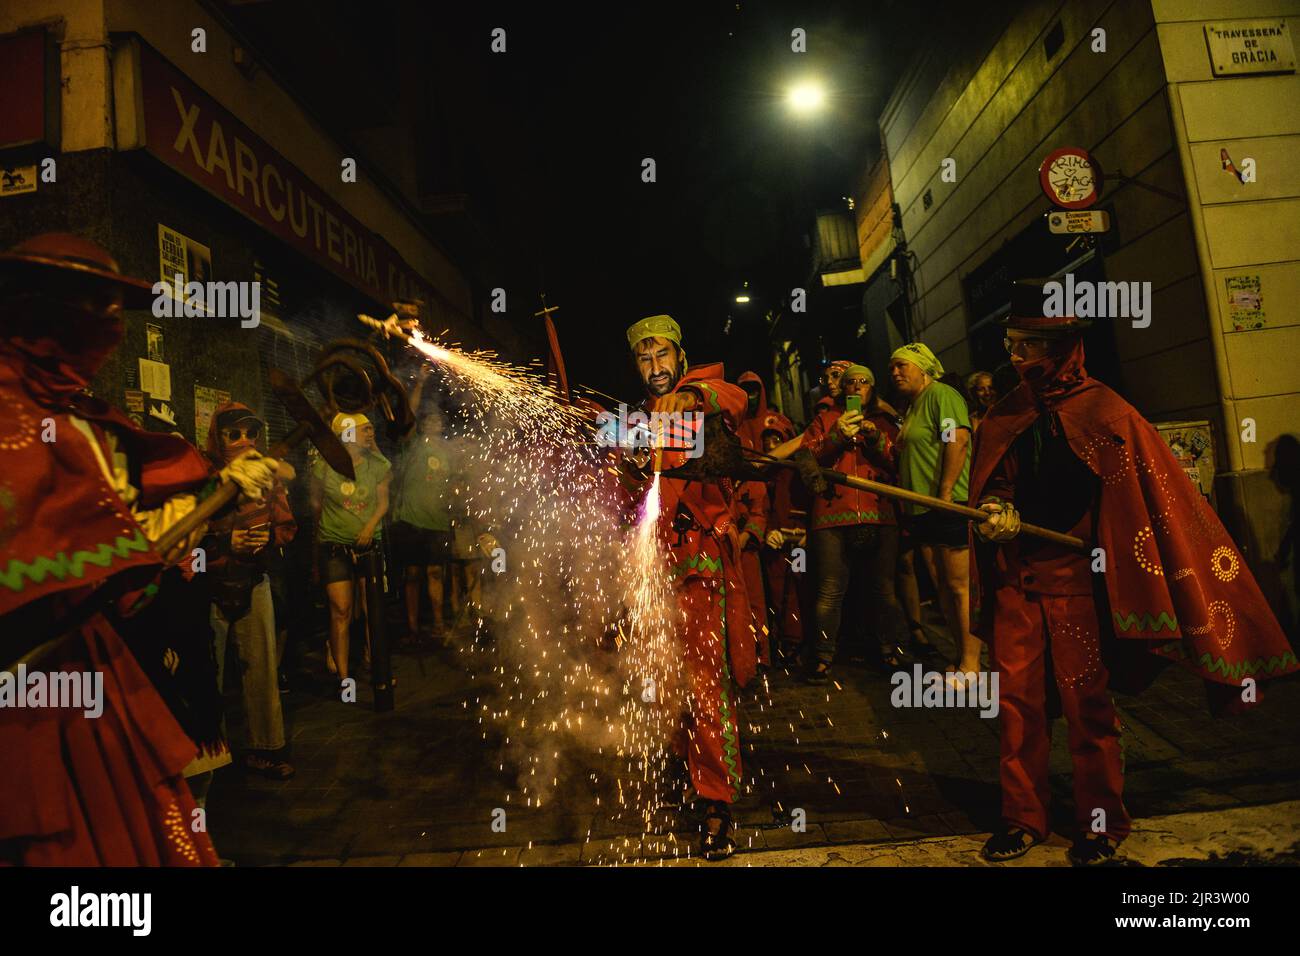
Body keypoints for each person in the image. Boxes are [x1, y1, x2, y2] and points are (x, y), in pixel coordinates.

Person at [971, 279, 1298, 865]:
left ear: (1063, 347)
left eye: (1028, 346)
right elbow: (996, 478)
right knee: (1016, 706)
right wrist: (995, 508)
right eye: (1011, 344)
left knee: (1087, 711)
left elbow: (1140, 506)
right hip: (1018, 582)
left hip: (1079, 586)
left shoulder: (1109, 412)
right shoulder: (1007, 413)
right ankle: (1023, 818)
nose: (1016, 358)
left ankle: (1100, 821)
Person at [0, 233, 276, 865]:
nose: (109, 327)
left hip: (90, 674)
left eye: (113, 308)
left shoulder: (83, 421)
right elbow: (85, 561)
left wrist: (216, 496)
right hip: (30, 695)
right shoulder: (17, 421)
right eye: (90, 307)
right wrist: (210, 502)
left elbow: (129, 541)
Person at [618, 314, 753, 861]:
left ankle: (717, 802)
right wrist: (623, 466)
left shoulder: (701, 397)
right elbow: (626, 495)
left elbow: (734, 397)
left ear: (680, 356)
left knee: (703, 687)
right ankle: (687, 768)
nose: (655, 369)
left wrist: (691, 391)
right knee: (665, 684)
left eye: (663, 357)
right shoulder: (633, 421)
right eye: (645, 360)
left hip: (701, 570)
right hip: (657, 572)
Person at [798, 364, 913, 680]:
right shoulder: (824, 420)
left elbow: (899, 462)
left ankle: (892, 651)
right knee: (831, 589)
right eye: (850, 383)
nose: (856, 387)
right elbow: (805, 457)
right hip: (832, 514)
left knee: (883, 589)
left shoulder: (884, 422)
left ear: (872, 388)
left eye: (864, 382)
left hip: (880, 513)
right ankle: (822, 656)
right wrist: (835, 437)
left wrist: (876, 439)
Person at [202, 402, 297, 780]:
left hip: (255, 582)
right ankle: (211, 756)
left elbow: (286, 524)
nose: (244, 441)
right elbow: (189, 529)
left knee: (262, 670)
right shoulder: (203, 476)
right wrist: (227, 540)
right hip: (210, 586)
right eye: (234, 433)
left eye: (250, 433)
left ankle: (266, 749)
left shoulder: (267, 478)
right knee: (209, 674)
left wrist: (268, 538)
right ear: (218, 436)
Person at [889, 342, 982, 678]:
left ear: (923, 368)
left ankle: (972, 664)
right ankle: (960, 657)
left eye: (902, 366)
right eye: (892, 368)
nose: (895, 373)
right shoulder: (913, 406)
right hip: (922, 508)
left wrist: (944, 493)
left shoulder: (941, 395)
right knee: (943, 586)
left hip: (947, 504)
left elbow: (955, 439)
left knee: (959, 587)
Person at [310, 411, 391, 687]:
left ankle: (377, 666)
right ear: (347, 433)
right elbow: (315, 502)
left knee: (373, 608)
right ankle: (345, 679)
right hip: (333, 545)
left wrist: (369, 527)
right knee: (341, 610)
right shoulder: (324, 466)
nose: (371, 433)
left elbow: (383, 503)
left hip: (369, 544)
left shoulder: (377, 464)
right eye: (365, 429)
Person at [391, 368, 456, 643]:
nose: (432, 423)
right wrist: (418, 382)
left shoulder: (449, 452)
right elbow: (407, 415)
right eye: (427, 420)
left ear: (442, 426)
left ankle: (439, 623)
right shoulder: (413, 444)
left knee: (434, 573)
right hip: (410, 521)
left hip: (437, 522)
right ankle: (413, 626)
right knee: (413, 574)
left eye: (436, 421)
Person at [735, 371, 776, 666]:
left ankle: (763, 652)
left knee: (763, 597)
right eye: (744, 390)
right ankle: (744, 656)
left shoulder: (772, 421)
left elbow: (759, 504)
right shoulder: (734, 427)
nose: (750, 395)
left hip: (760, 526)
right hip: (732, 535)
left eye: (754, 389)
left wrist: (749, 534)